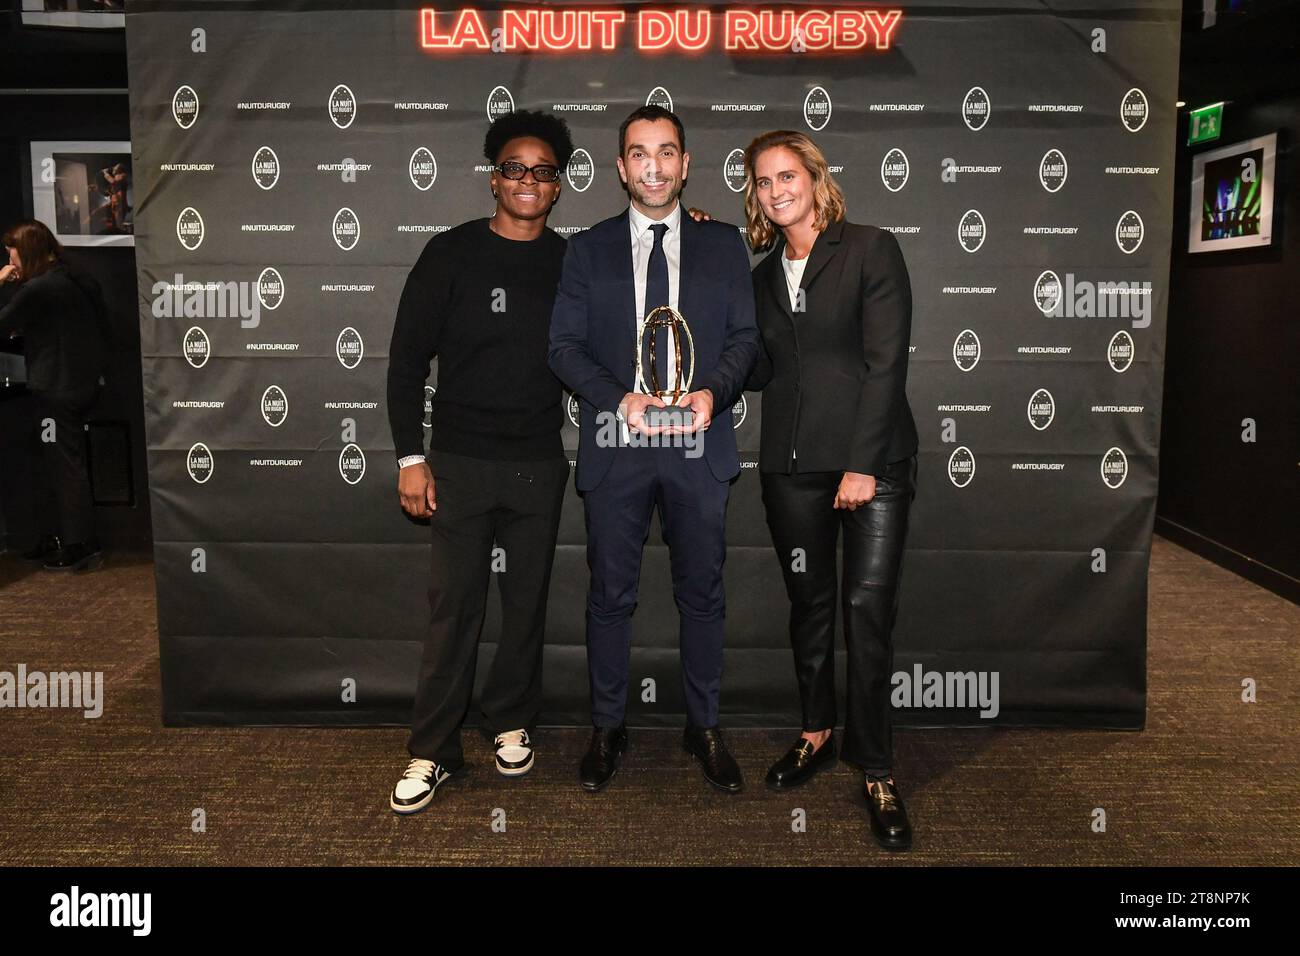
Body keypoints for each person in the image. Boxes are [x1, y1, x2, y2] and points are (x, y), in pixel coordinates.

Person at [548, 105, 759, 793]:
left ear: (686, 163)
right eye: (640, 153)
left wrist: (713, 394)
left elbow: (745, 342)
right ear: (620, 167)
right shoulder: (586, 249)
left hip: (698, 443)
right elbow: (564, 348)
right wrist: (621, 400)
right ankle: (609, 728)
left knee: (703, 593)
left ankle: (704, 727)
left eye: (667, 152)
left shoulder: (725, 244)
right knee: (610, 596)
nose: (654, 166)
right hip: (620, 443)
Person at [384, 110, 576, 814]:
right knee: (453, 609)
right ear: (495, 177)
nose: (529, 180)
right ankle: (432, 750)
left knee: (524, 607)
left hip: (537, 463)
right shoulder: (450, 253)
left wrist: (694, 228)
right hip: (458, 462)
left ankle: (510, 720)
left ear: (559, 185)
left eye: (544, 171)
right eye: (516, 168)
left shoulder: (569, 261)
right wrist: (411, 457)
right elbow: (407, 362)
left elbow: (637, 282)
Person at [742, 130, 920, 850]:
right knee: (809, 605)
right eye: (762, 180)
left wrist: (861, 462)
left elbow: (886, 366)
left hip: (872, 467)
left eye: (788, 175)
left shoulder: (871, 249)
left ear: (815, 179)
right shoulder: (758, 276)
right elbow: (759, 372)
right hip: (790, 471)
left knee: (866, 610)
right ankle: (816, 732)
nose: (775, 189)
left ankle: (875, 767)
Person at [0, 219, 109, 572]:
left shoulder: (38, 289)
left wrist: (1, 283)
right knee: (59, 463)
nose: (9, 258)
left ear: (26, 251)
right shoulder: (75, 278)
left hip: (55, 389)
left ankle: (80, 545)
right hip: (84, 383)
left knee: (65, 467)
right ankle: (61, 536)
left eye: (11, 252)